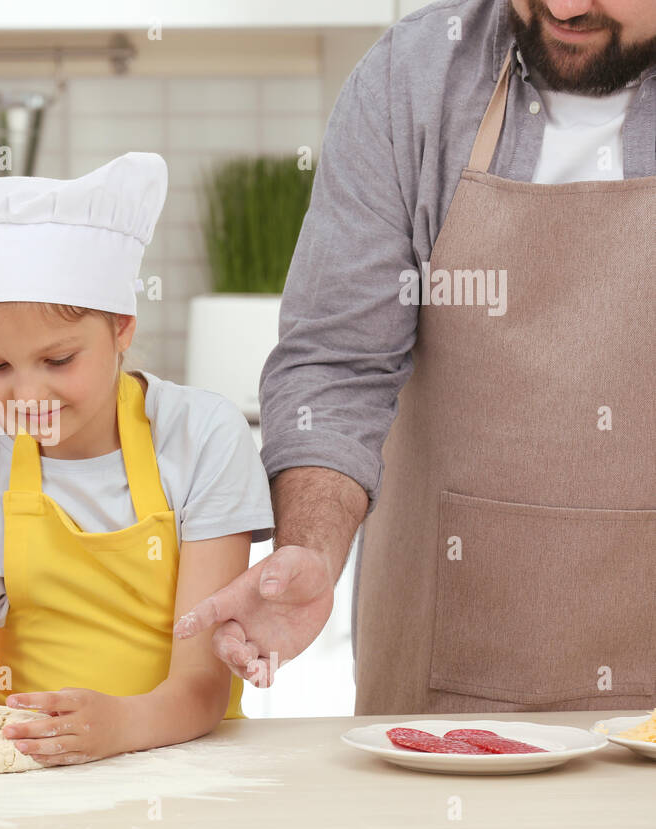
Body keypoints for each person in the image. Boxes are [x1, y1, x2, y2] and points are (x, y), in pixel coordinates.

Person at [177, 0, 656, 714]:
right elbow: (339, 362)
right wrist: (310, 549)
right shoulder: (414, 77)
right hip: (443, 683)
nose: (565, 6)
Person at [0, 152, 274, 767]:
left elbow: (202, 686)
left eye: (58, 361)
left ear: (122, 327)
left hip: (189, 765)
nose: (25, 397)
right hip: (30, 768)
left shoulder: (205, 435)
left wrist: (116, 725)